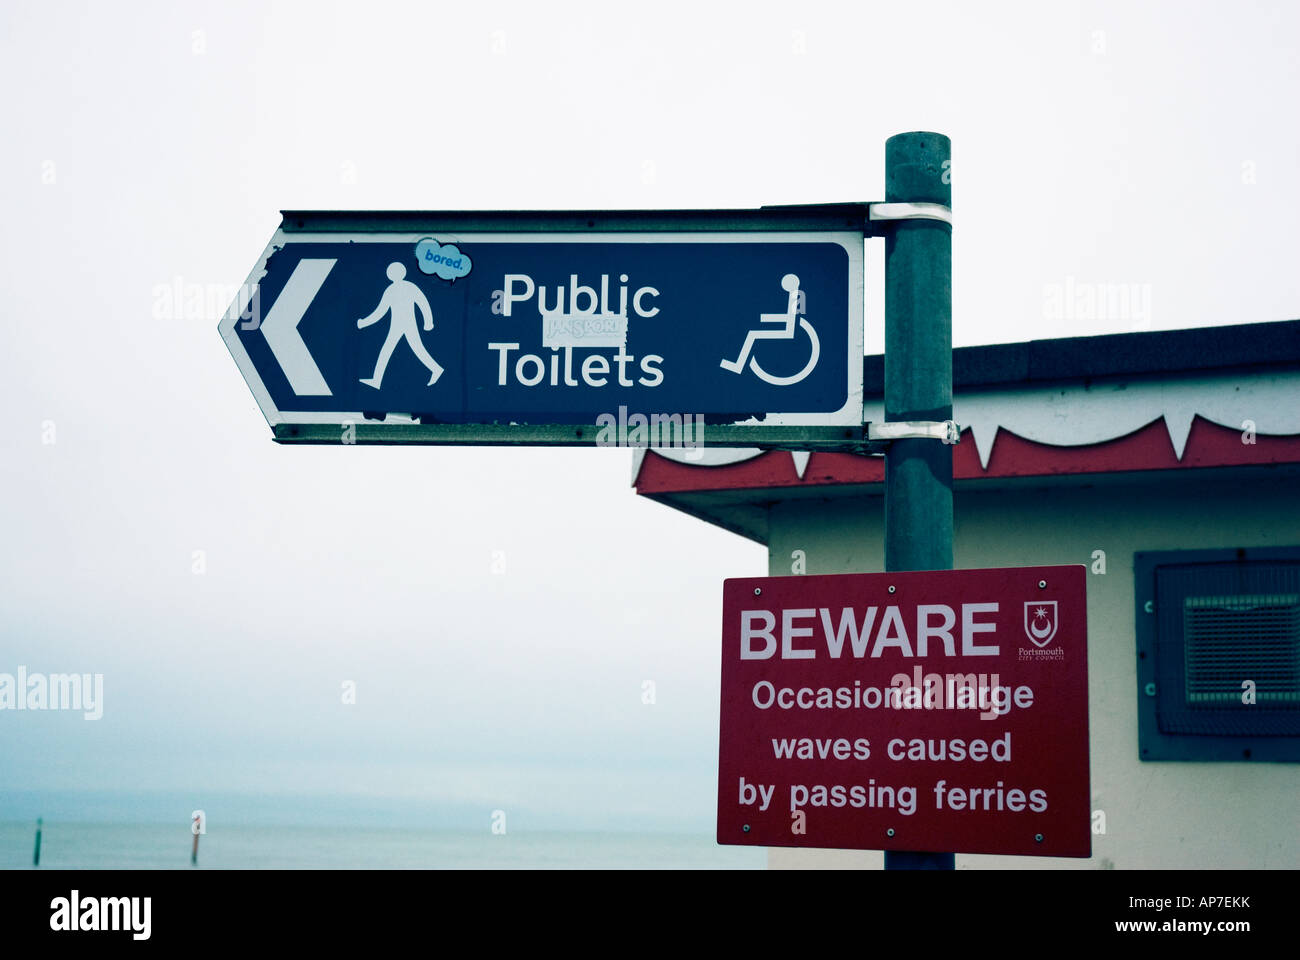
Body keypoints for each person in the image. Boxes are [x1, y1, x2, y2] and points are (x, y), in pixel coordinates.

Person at [357, 262, 444, 388]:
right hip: (398, 326)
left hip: (407, 325)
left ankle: (436, 369)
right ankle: (376, 380)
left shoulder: (401, 288)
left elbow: (422, 302)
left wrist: (428, 322)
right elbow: (380, 311)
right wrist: (364, 323)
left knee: (411, 349)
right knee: (396, 349)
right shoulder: (394, 289)